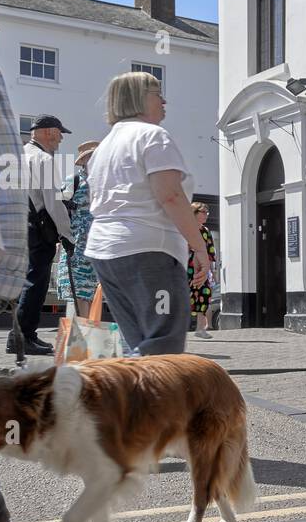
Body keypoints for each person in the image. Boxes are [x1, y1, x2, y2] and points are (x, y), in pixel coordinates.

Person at [84, 71, 208, 356]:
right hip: (149, 249)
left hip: (106, 250)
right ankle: (156, 399)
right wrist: (199, 248)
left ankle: (133, 398)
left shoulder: (104, 148)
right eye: (157, 93)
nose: (164, 101)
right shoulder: (152, 136)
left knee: (138, 341)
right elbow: (171, 196)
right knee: (164, 344)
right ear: (138, 99)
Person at [11, 114, 73, 355]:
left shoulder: (18, 155)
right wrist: (67, 234)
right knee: (36, 283)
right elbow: (54, 202)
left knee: (27, 281)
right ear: (49, 132)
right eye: (59, 134)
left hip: (18, 225)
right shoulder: (43, 160)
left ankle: (16, 338)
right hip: (38, 228)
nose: (60, 141)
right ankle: (25, 337)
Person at [55, 140, 99, 318]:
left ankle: (85, 338)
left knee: (93, 296)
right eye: (91, 157)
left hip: (99, 246)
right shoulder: (71, 181)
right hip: (77, 245)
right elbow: (57, 209)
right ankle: (82, 338)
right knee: (79, 295)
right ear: (84, 160)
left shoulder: (108, 181)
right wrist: (62, 236)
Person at [189, 201, 216, 338]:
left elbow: (210, 252)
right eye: (203, 212)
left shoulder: (206, 231)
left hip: (203, 269)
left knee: (204, 296)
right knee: (186, 296)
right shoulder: (186, 228)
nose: (206, 215)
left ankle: (200, 329)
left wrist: (212, 271)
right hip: (188, 267)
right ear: (194, 213)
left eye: (207, 212)